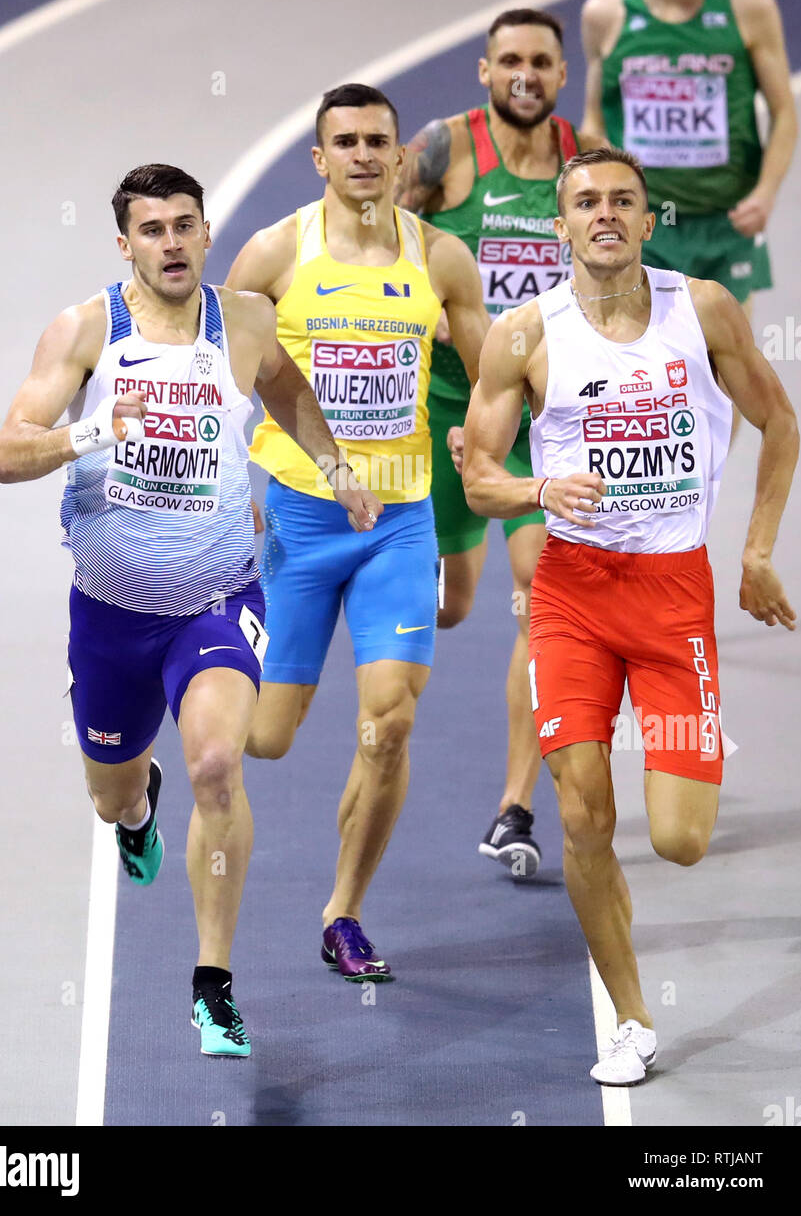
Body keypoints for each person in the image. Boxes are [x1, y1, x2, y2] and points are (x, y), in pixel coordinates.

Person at [0, 163, 378, 1057]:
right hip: (113, 616)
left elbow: (284, 388)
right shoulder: (87, 329)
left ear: (206, 234)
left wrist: (336, 467)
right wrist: (94, 430)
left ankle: (213, 984)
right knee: (112, 793)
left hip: (216, 596)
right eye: (152, 230)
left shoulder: (242, 319)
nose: (171, 243)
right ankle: (135, 812)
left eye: (185, 226)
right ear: (123, 244)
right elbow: (8, 457)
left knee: (215, 766)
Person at [462, 148, 798, 1084]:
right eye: (584, 203)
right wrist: (537, 487)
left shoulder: (704, 310)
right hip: (570, 596)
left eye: (622, 201)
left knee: (684, 842)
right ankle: (632, 1017)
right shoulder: (523, 335)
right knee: (580, 816)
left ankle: (619, 898)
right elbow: (480, 479)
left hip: (673, 595)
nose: (604, 214)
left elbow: (780, 423)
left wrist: (756, 551)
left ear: (649, 222)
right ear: (558, 226)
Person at [225, 83, 489, 981]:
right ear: (320, 159)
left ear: (400, 156)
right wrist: (234, 485)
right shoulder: (272, 254)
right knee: (264, 739)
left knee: (388, 724)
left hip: (398, 520)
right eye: (347, 143)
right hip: (301, 520)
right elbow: (222, 371)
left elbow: (491, 375)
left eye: (380, 140)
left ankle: (343, 912)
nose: (366, 156)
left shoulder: (442, 258)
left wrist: (474, 431)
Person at [397, 8, 601, 878]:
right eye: (509, 60)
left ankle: (513, 807)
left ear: (563, 74)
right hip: (442, 407)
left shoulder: (584, 160)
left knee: (539, 590)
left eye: (541, 62)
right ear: (484, 71)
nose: (525, 73)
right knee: (449, 607)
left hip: (536, 415)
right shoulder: (445, 150)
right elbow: (382, 248)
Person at [581, 0, 797, 325]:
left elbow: (784, 113)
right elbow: (594, 120)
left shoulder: (749, 5)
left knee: (724, 380)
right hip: (642, 228)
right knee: (639, 376)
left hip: (725, 227)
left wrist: (765, 193)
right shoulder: (604, 14)